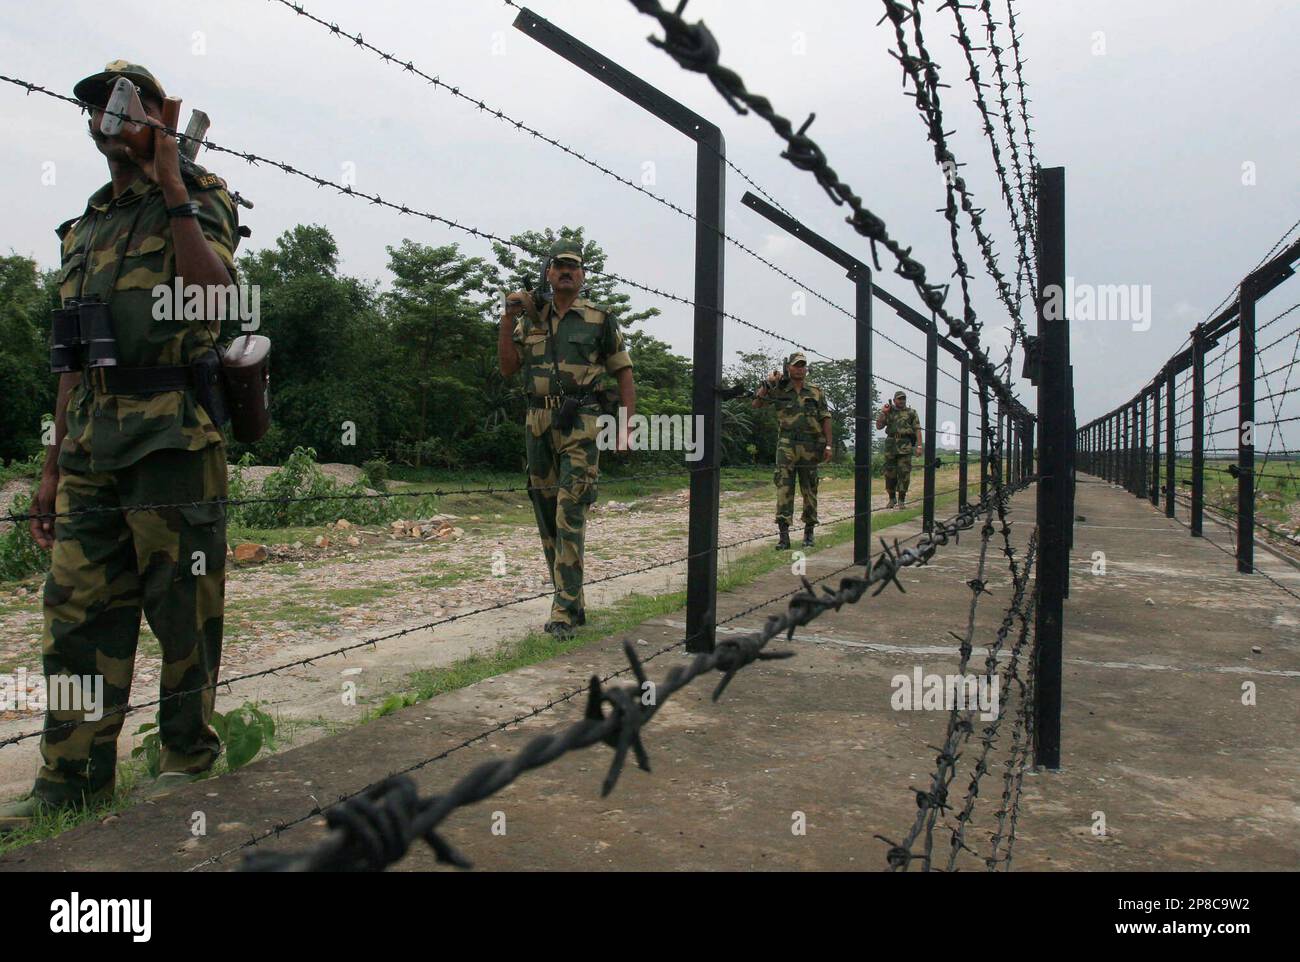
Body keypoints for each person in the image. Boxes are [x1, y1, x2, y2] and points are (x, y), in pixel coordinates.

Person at [0, 62, 242, 832]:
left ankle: (186, 763)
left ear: (157, 117)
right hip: (89, 448)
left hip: (173, 437)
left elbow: (218, 301)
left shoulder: (201, 198)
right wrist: (49, 467)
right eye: (94, 106)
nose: (106, 117)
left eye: (124, 103)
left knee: (183, 617)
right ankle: (69, 778)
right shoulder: (87, 225)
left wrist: (173, 181)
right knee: (73, 619)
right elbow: (72, 358)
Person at [497, 238, 635, 640]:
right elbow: (508, 368)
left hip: (582, 421)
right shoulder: (529, 320)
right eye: (559, 265)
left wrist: (626, 428)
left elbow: (623, 374)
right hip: (536, 421)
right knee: (546, 518)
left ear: (584, 275)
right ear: (547, 272)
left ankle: (561, 612)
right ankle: (571, 601)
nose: (566, 271)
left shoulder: (599, 319)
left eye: (574, 266)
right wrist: (507, 320)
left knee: (570, 510)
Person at [753, 352, 832, 550]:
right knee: (784, 488)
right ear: (789, 367)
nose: (800, 368)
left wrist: (828, 445)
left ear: (806, 368)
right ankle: (784, 536)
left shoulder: (815, 391)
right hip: (786, 444)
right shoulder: (779, 388)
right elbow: (756, 404)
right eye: (796, 365)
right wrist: (767, 383)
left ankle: (809, 533)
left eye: (803, 365)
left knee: (809, 489)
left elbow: (825, 418)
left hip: (810, 444)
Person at [876, 389, 923, 508]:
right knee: (890, 473)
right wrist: (883, 413)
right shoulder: (889, 411)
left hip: (905, 444)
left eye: (903, 399)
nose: (902, 401)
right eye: (899, 399)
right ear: (894, 400)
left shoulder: (911, 412)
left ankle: (902, 499)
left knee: (904, 473)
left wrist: (919, 445)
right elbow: (879, 426)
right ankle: (892, 498)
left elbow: (917, 429)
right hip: (891, 445)